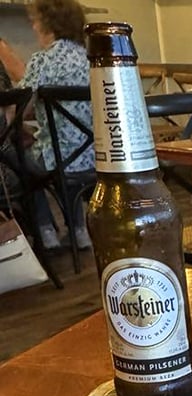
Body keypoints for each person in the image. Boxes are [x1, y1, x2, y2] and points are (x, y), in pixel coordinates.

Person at [0, 0, 94, 250]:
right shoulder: (92, 60)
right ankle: (79, 231)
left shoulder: (43, 60)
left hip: (58, 160)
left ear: (50, 25)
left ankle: (46, 232)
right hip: (95, 158)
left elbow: (21, 105)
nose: (33, 26)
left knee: (16, 158)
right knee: (51, 153)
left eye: (36, 22)